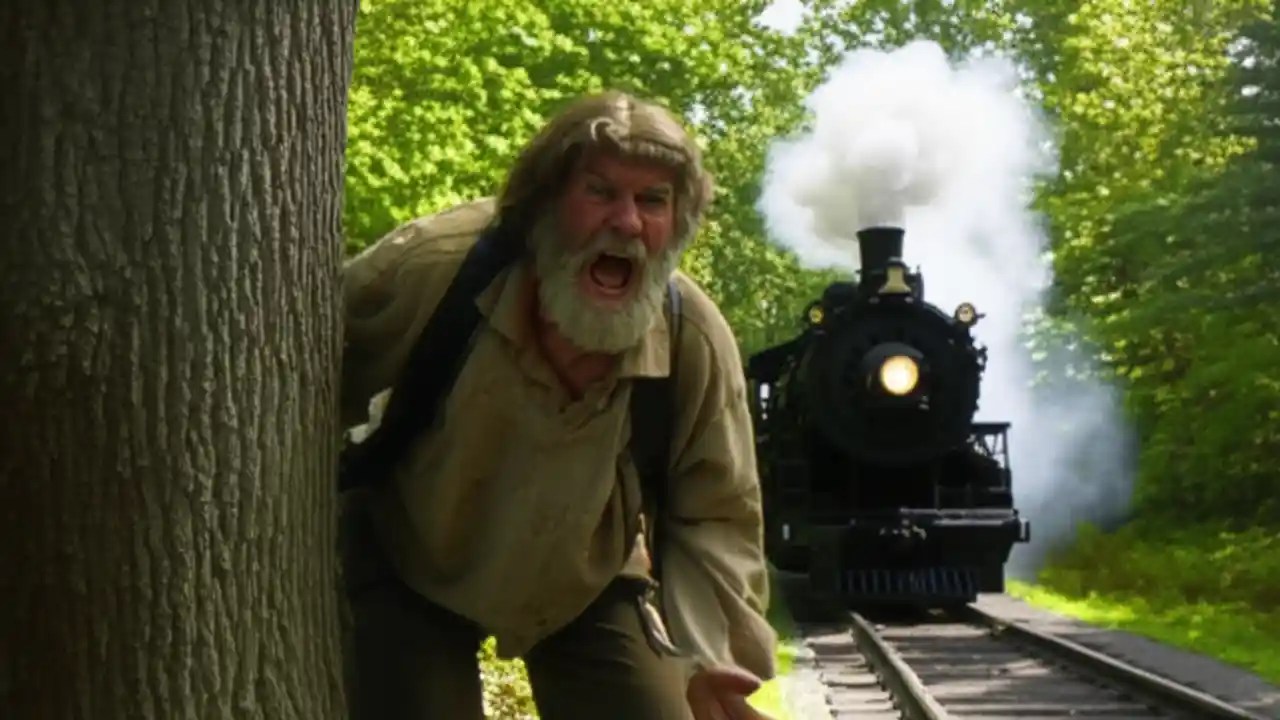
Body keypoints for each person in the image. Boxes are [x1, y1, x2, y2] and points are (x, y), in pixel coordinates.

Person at [338, 89, 778, 720]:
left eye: (653, 201)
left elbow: (716, 513)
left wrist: (710, 657)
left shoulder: (692, 335)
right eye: (600, 192)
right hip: (410, 559)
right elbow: (303, 383)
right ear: (543, 203)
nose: (626, 223)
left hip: (584, 578)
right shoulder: (432, 270)